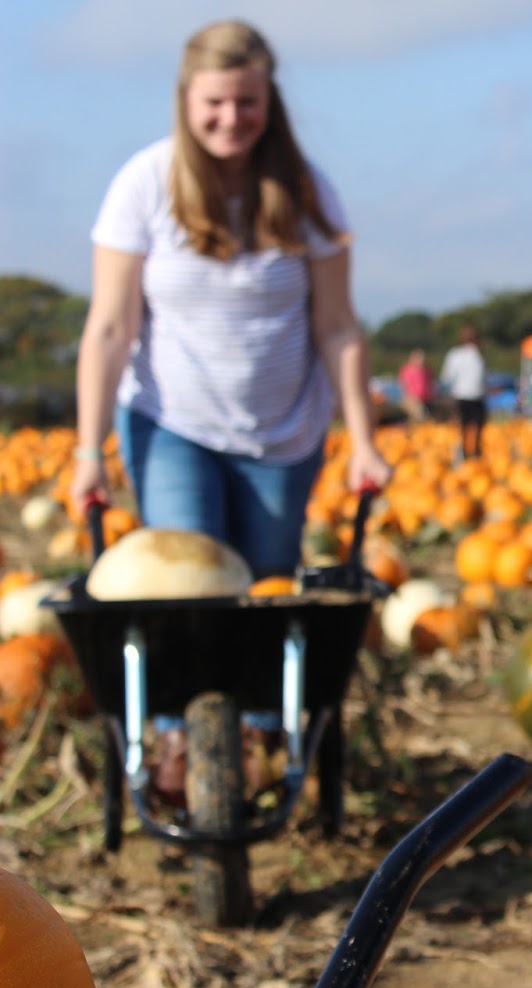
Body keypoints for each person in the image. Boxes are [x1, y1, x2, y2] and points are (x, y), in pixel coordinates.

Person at [70, 19, 391, 807]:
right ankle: (185, 748)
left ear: (267, 101)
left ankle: (251, 742)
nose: (231, 119)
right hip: (170, 424)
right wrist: (86, 449)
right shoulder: (144, 185)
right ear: (187, 99)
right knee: (188, 596)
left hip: (284, 434)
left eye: (246, 102)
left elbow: (338, 325)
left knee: (262, 597)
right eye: (216, 102)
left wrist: (363, 438)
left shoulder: (306, 192)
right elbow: (110, 327)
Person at [440, 323, 487, 459]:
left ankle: (465, 454)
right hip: (476, 395)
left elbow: (447, 377)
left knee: (463, 428)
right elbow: (482, 378)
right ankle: (474, 453)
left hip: (462, 395)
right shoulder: (479, 354)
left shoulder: (456, 354)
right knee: (477, 428)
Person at [398, 348, 433, 422]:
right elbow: (405, 385)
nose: (421, 360)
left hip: (426, 398)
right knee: (419, 415)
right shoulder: (408, 370)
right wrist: (412, 397)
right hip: (413, 399)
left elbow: (430, 384)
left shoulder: (426, 370)